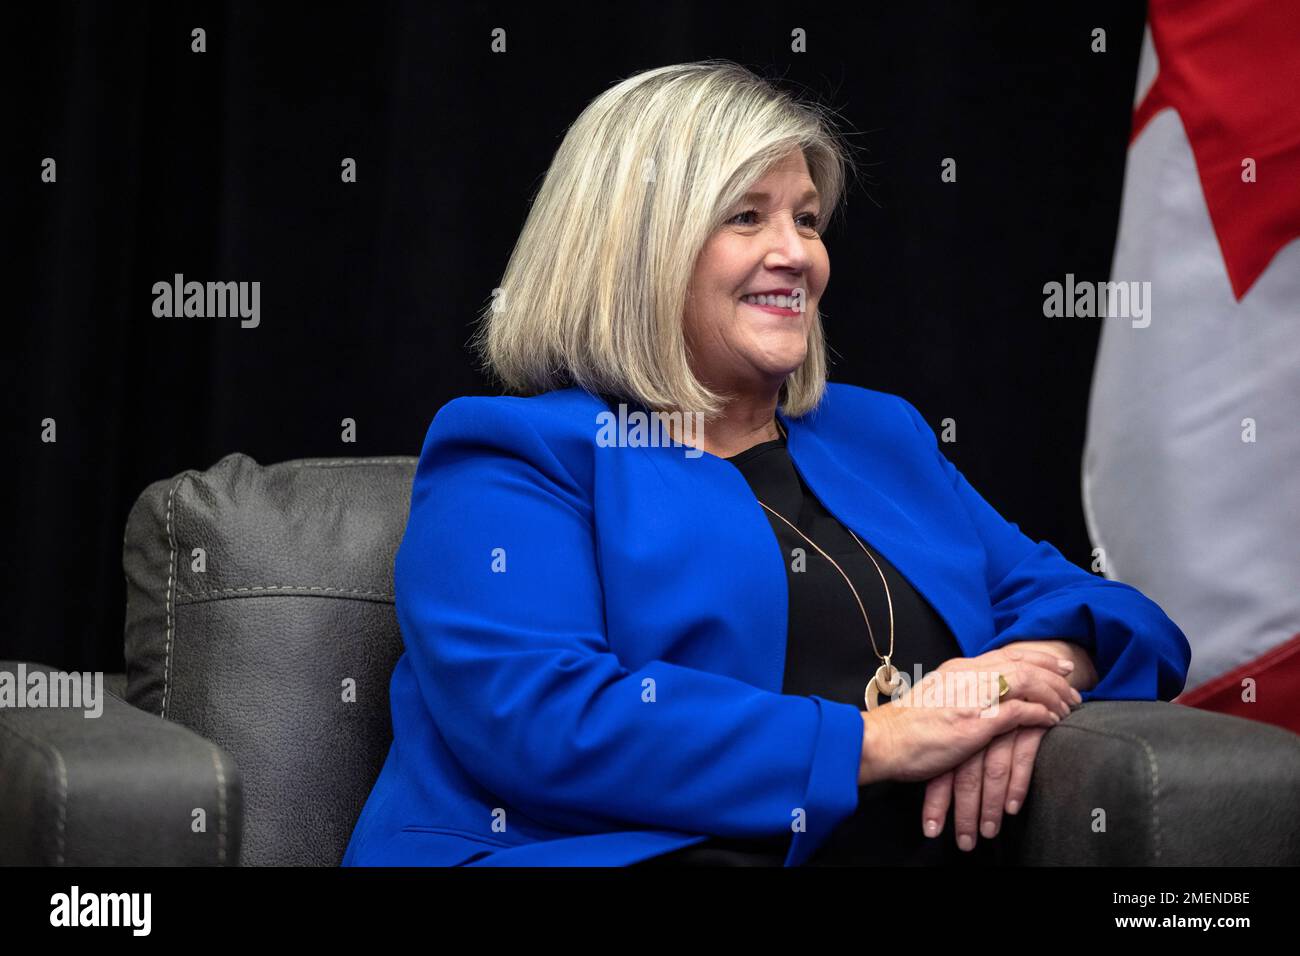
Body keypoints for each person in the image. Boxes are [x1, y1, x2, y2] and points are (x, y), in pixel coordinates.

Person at [342, 60, 1191, 868]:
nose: (796, 254)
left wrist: (1019, 678)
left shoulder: (878, 438)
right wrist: (880, 740)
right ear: (635, 249)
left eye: (808, 219)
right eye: (746, 217)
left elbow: (1118, 616)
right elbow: (539, 719)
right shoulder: (520, 453)